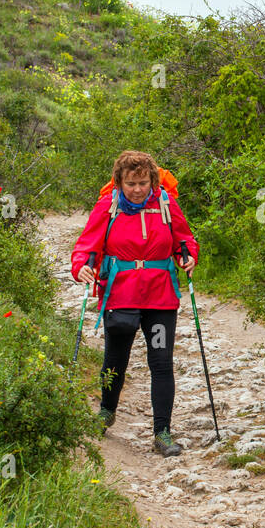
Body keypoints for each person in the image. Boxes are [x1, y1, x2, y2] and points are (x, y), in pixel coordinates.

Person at [71, 150, 200, 458]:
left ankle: (162, 433)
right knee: (115, 359)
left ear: (153, 181)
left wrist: (187, 256)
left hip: (159, 298)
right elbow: (86, 245)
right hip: (121, 295)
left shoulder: (166, 205)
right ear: (119, 182)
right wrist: (82, 268)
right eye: (131, 183)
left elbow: (184, 239)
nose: (138, 189)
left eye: (143, 182)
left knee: (161, 361)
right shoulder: (108, 206)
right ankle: (106, 412)